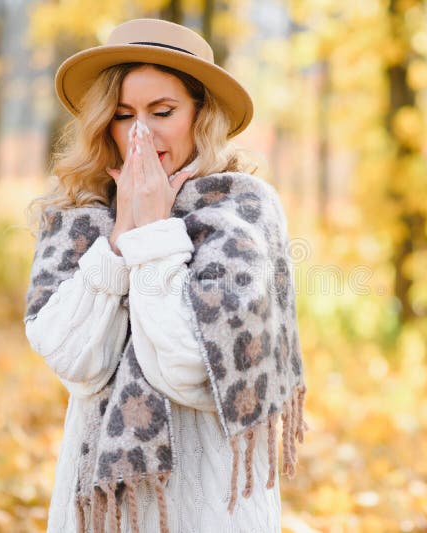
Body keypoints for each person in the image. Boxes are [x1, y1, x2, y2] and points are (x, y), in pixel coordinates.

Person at [23, 18, 306, 533]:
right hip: (98, 510)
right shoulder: (79, 212)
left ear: (202, 115)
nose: (141, 133)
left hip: (211, 506)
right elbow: (73, 360)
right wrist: (116, 240)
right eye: (123, 114)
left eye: (163, 112)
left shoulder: (243, 211)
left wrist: (151, 236)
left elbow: (191, 371)